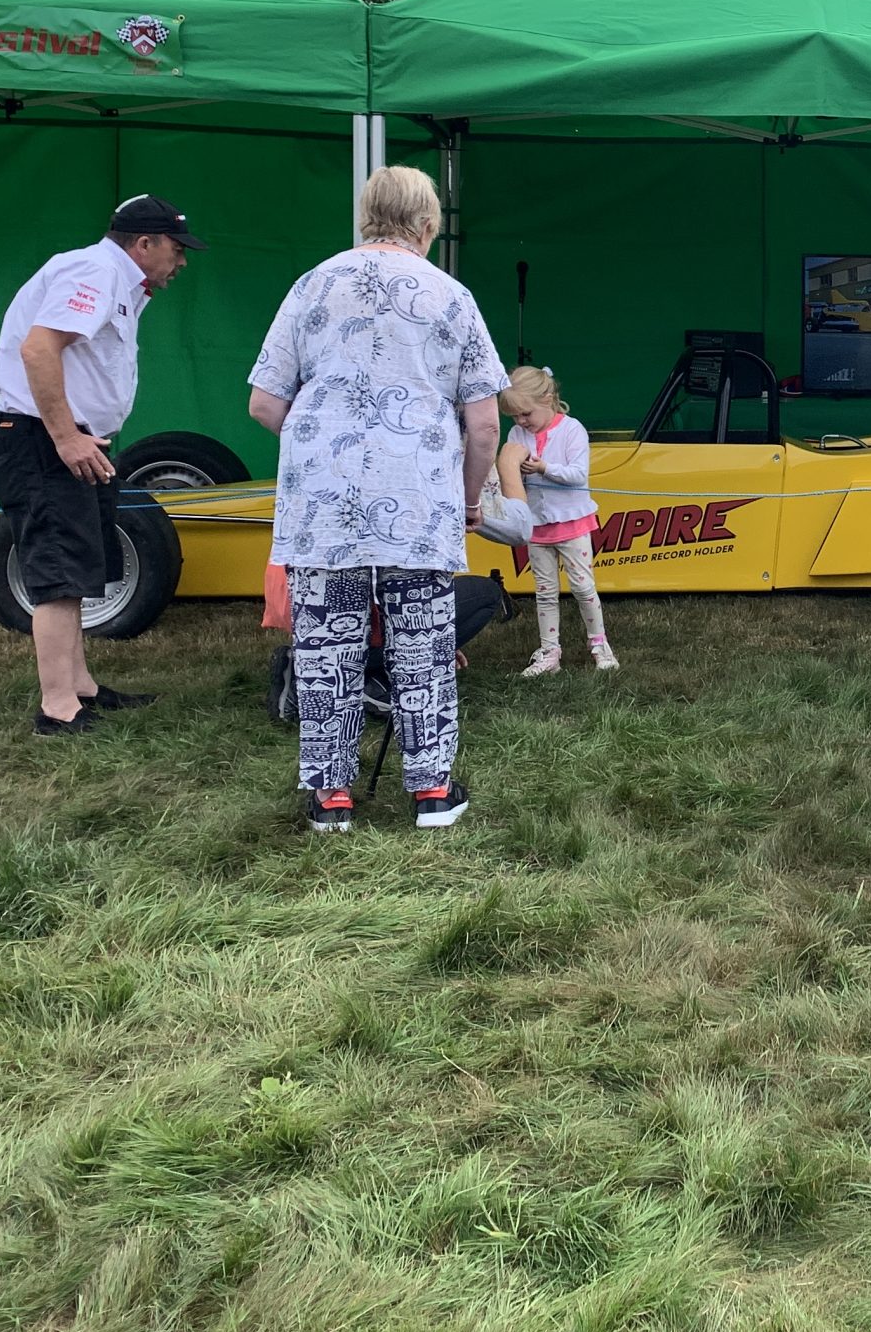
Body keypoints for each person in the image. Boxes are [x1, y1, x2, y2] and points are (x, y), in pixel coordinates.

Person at [248, 166, 506, 834]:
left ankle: (330, 798)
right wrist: (469, 497)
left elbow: (264, 401)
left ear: (366, 216)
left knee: (327, 651)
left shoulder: (312, 285)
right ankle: (431, 795)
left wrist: (318, 442)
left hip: (322, 505)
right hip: (418, 498)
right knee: (422, 643)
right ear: (428, 225)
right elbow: (484, 424)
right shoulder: (451, 296)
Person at [0, 195, 201, 733]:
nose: (182, 262)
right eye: (176, 249)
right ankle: (57, 709)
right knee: (58, 571)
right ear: (144, 243)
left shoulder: (116, 280)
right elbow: (39, 350)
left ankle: (79, 687)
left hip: (70, 438)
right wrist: (64, 437)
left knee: (79, 563)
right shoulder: (96, 271)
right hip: (43, 439)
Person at [498, 365, 613, 677]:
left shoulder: (572, 429)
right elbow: (510, 474)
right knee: (544, 590)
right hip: (536, 525)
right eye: (514, 417)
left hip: (572, 524)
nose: (520, 422)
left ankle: (599, 645)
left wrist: (543, 468)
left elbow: (578, 475)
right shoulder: (517, 434)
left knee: (583, 587)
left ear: (547, 399)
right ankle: (550, 652)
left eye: (525, 414)